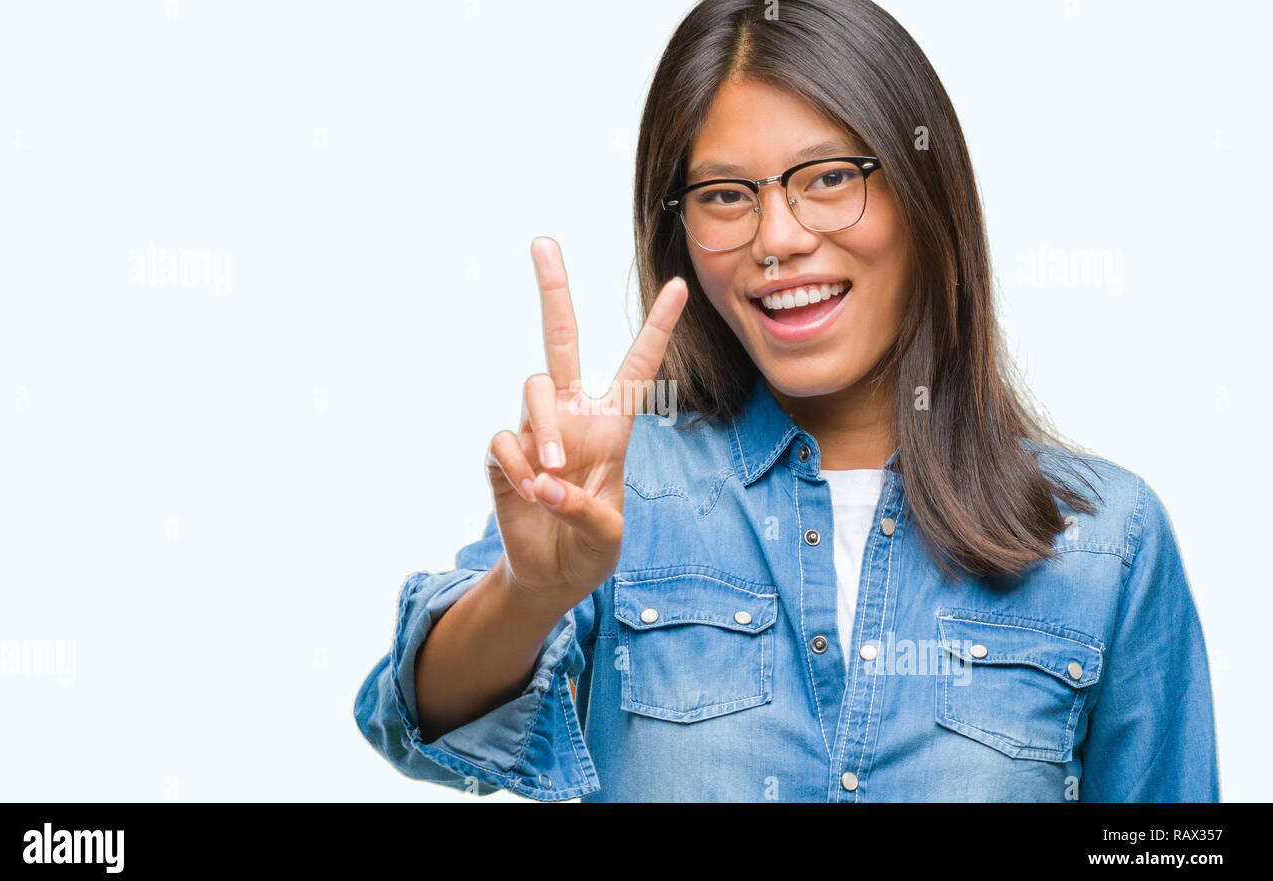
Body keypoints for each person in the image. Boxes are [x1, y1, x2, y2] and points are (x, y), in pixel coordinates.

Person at [352, 0, 1220, 802]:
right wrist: (531, 593)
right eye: (727, 195)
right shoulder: (617, 492)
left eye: (830, 178)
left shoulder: (1106, 540)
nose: (778, 239)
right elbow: (414, 719)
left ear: (925, 196)